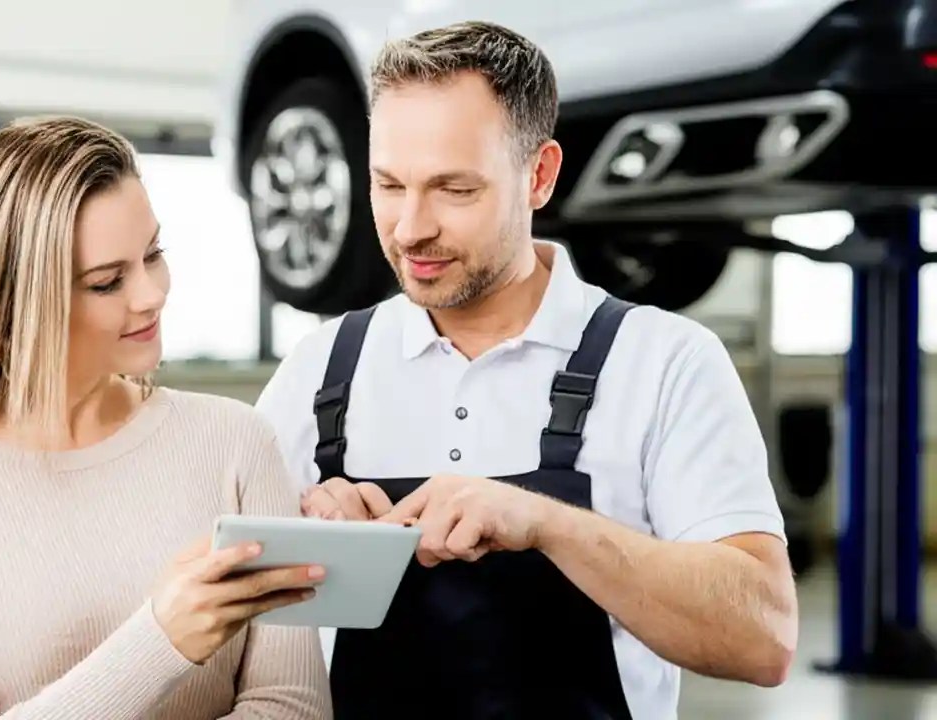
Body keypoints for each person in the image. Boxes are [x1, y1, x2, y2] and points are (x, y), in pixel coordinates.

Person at [252, 21, 799, 720]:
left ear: (538, 175)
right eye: (389, 183)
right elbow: (216, 613)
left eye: (454, 190)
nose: (410, 228)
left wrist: (549, 525)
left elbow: (763, 639)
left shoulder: (664, 363)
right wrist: (305, 541)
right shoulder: (322, 366)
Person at [0, 116, 333, 720]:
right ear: (16, 298)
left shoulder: (236, 443)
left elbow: (295, 708)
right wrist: (162, 641)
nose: (151, 294)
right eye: (107, 282)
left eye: (153, 254)